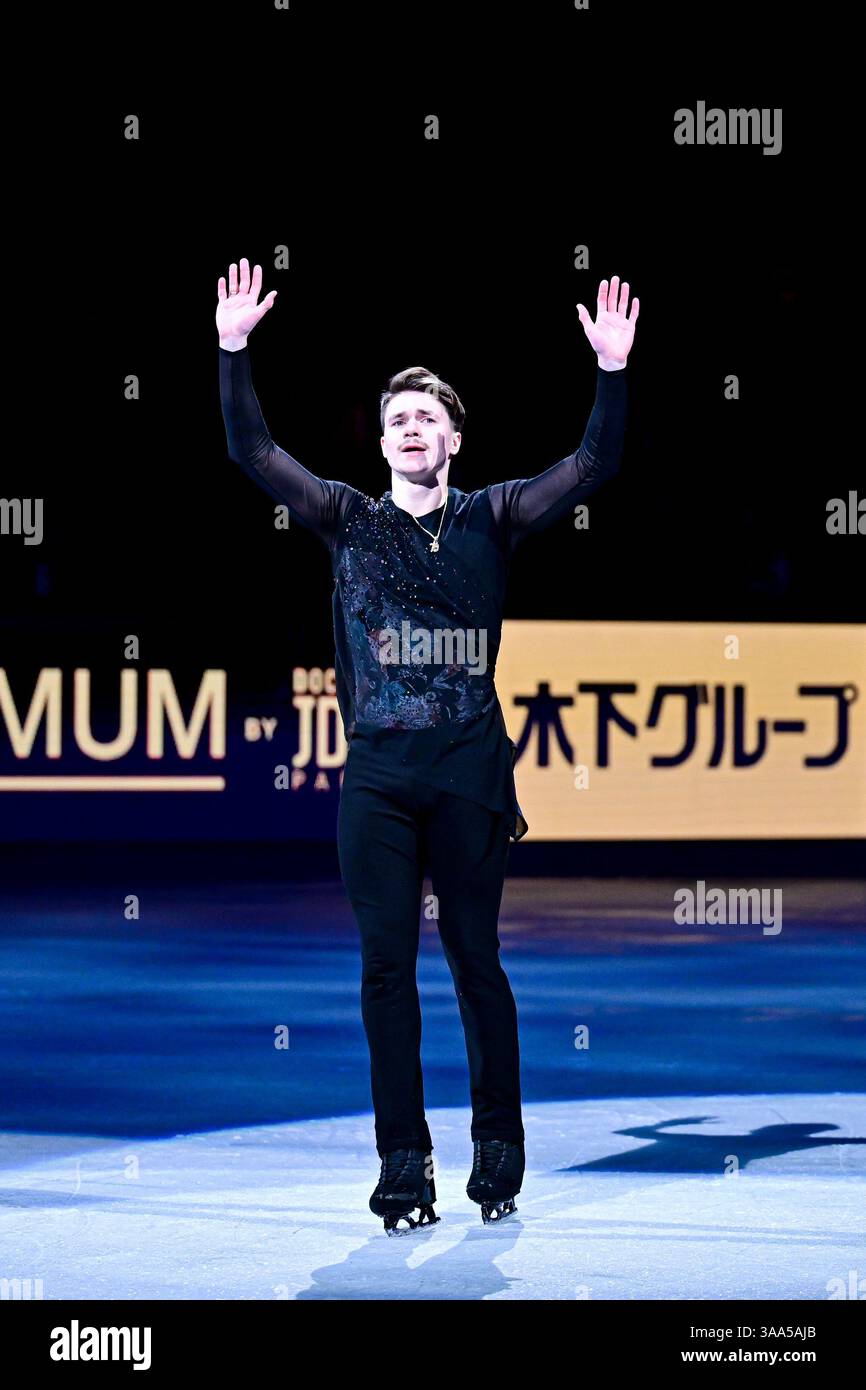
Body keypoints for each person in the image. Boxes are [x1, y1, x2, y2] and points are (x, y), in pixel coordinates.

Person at [218, 257, 637, 1230]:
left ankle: (497, 1158)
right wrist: (232, 348)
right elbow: (251, 451)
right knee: (382, 970)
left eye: (425, 416)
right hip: (377, 777)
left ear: (453, 437)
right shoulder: (344, 517)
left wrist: (609, 374)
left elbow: (591, 467)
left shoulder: (494, 513)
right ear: (379, 442)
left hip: (467, 773)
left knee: (474, 961)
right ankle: (402, 1167)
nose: (410, 428)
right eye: (394, 418)